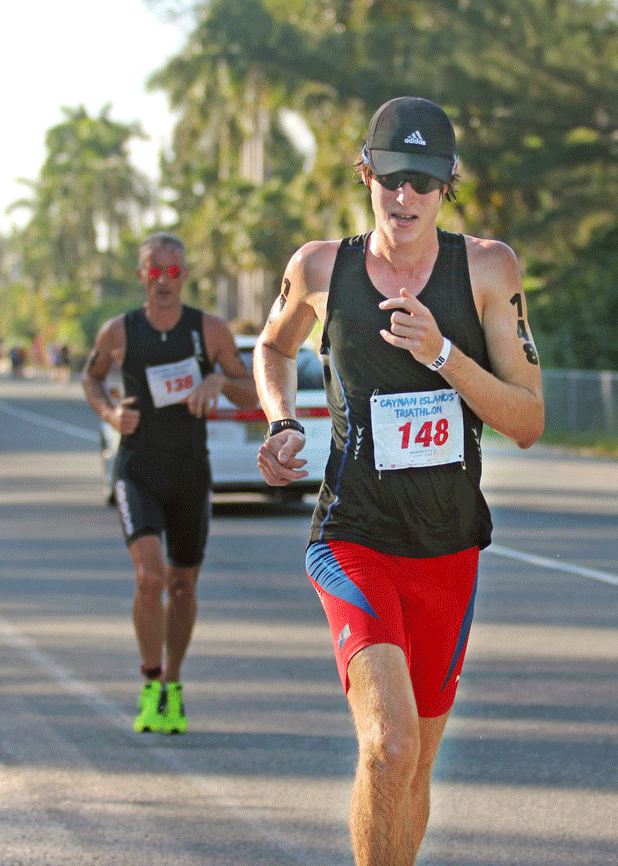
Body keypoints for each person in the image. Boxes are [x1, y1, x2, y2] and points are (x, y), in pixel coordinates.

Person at [254, 96, 544, 866]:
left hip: (449, 547)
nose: (404, 197)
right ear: (365, 174)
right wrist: (282, 420)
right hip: (354, 537)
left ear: (449, 182)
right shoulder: (321, 267)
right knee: (387, 747)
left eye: (422, 180)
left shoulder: (486, 268)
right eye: (390, 179)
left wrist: (444, 355)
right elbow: (272, 348)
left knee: (413, 765)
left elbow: (526, 419)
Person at [82, 232, 258, 735]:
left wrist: (219, 382)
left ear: (184, 275)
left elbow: (252, 391)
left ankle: (173, 687)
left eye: (173, 271)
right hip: (137, 468)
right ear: (140, 275)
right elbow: (90, 379)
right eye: (154, 271)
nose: (164, 280)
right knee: (150, 577)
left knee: (182, 587)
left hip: (189, 472)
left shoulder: (209, 332)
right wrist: (111, 413)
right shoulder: (118, 332)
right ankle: (150, 680)